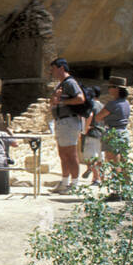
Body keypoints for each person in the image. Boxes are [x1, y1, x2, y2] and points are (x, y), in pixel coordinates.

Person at [48, 57, 87, 194]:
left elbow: (80, 98)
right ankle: (64, 183)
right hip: (61, 121)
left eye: (53, 69)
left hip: (68, 121)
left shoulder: (70, 83)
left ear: (61, 68)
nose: (51, 72)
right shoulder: (60, 85)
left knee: (71, 154)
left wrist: (63, 102)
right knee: (63, 153)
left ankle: (75, 184)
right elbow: (53, 101)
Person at [100, 76, 132, 201]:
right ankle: (127, 190)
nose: (109, 89)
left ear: (117, 89)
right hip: (124, 132)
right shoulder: (126, 103)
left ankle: (115, 191)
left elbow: (99, 116)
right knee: (123, 162)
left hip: (113, 133)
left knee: (114, 162)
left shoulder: (112, 104)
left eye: (110, 87)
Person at [80, 86, 106, 186]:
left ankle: (96, 178)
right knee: (100, 157)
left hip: (92, 133)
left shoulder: (91, 105)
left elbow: (89, 116)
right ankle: (102, 177)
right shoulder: (102, 105)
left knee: (91, 157)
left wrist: (85, 129)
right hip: (101, 133)